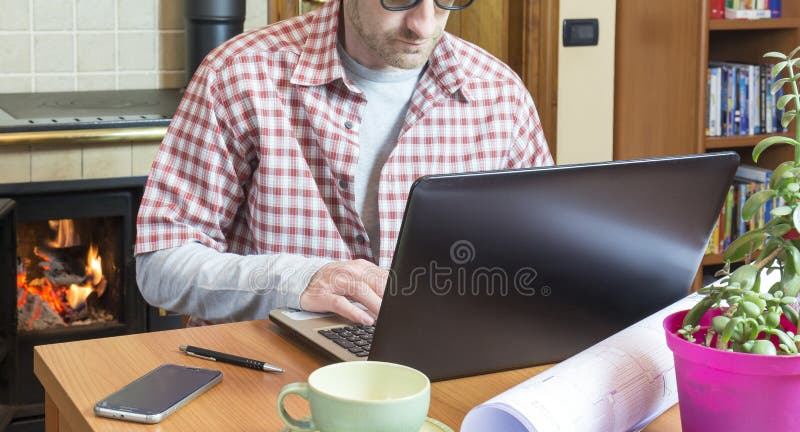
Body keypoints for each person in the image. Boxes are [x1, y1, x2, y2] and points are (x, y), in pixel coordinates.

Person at [135, 0, 553, 326]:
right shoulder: (239, 74)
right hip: (263, 372)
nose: (423, 25)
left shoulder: (501, 96)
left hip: (426, 374)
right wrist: (298, 282)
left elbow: (541, 262)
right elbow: (160, 265)